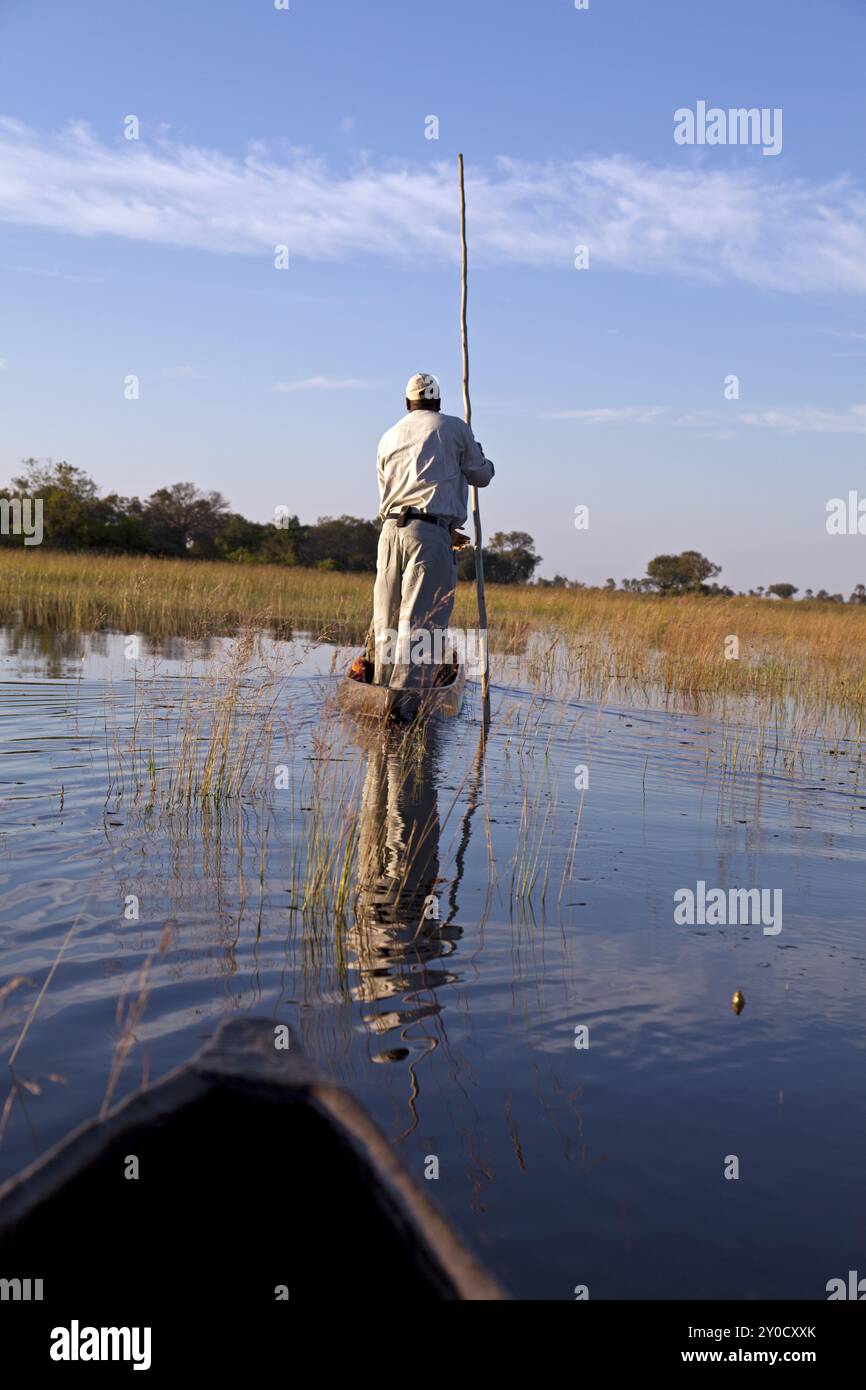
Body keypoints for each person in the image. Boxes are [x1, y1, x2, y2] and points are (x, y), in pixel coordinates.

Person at [373, 372, 494, 719]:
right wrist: (484, 457)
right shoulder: (454, 427)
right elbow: (480, 475)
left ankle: (378, 694)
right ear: (438, 402)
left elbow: (394, 493)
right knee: (420, 624)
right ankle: (402, 709)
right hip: (428, 534)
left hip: (390, 531)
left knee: (387, 619)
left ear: (408, 403)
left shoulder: (389, 435)